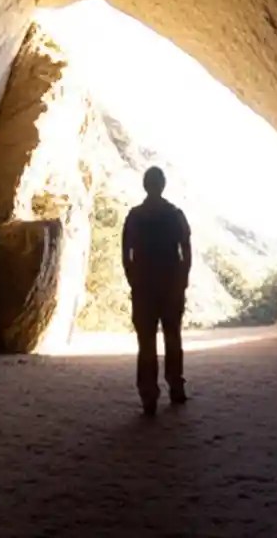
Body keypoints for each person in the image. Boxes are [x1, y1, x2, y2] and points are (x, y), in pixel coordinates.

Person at [122, 166, 192, 416]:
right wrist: (182, 280)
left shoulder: (135, 216)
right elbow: (185, 249)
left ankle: (148, 395)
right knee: (172, 336)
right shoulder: (174, 214)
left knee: (146, 342)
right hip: (170, 284)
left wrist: (134, 280)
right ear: (162, 185)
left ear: (145, 185)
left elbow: (126, 253)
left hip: (144, 287)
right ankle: (175, 387)